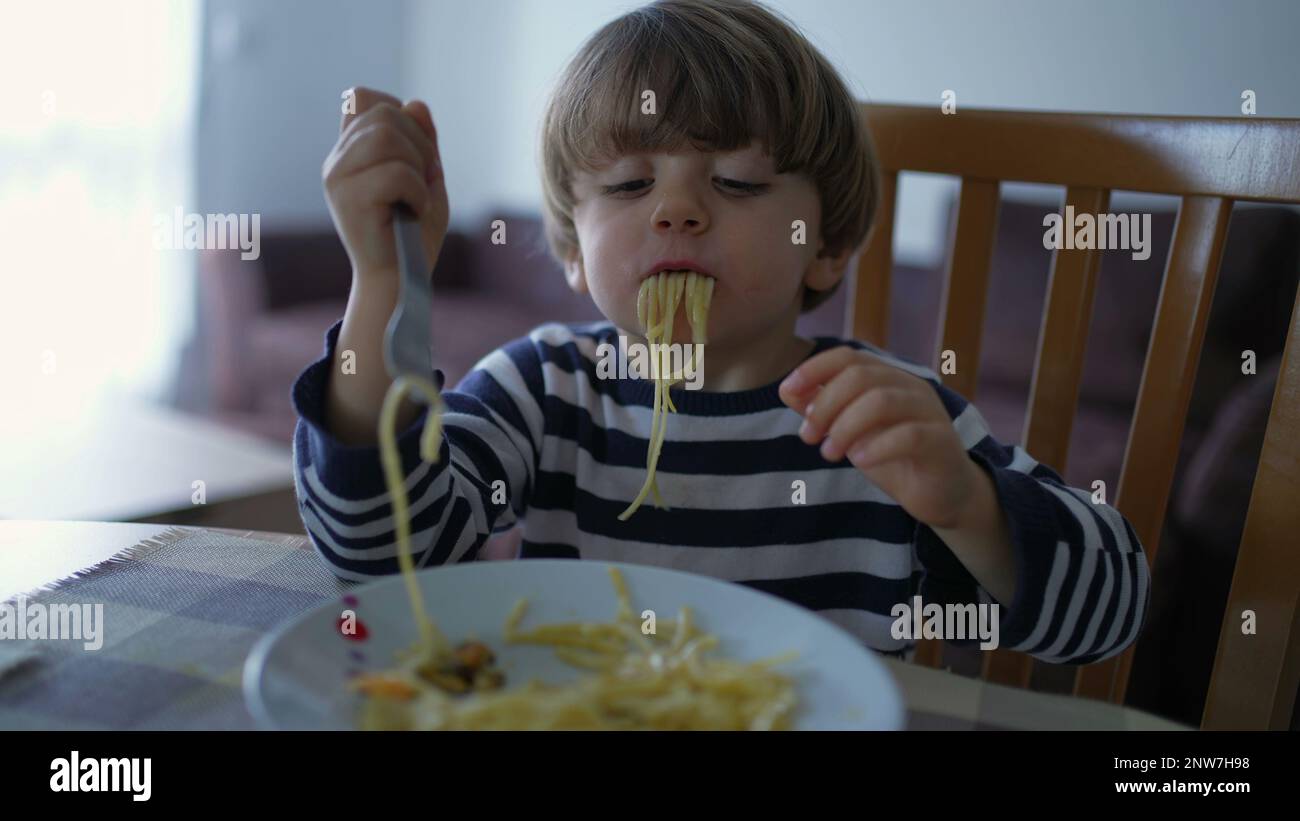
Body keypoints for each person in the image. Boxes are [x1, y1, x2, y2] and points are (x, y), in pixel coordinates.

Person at [292, 0, 1149, 662]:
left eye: (737, 182)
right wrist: (384, 284)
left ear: (828, 245)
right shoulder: (546, 389)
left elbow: (1114, 611)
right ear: (573, 252)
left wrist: (970, 504)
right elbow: (379, 558)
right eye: (629, 185)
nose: (676, 210)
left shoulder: (884, 421)